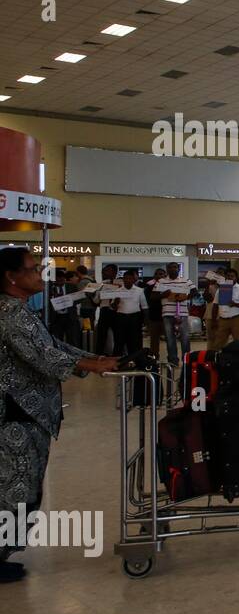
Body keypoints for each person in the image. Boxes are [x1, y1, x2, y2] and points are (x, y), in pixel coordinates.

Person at [0, 248, 119, 582]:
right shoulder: (9, 314)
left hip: (28, 414)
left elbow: (54, 346)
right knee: (15, 487)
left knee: (24, 486)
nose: (40, 273)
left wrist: (96, 359)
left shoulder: (19, 310)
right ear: (11, 276)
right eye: (32, 268)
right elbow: (43, 357)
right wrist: (93, 366)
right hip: (15, 415)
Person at [208, 267, 239, 350]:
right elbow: (215, 305)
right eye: (228, 276)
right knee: (218, 343)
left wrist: (235, 304)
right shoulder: (221, 289)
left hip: (237, 319)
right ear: (225, 277)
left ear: (236, 278)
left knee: (238, 343)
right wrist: (214, 320)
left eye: (232, 276)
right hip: (222, 320)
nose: (230, 278)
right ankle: (218, 360)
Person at [112, 269, 149, 356]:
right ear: (123, 279)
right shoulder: (118, 291)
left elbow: (144, 306)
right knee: (119, 341)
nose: (128, 280)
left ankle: (136, 360)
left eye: (130, 278)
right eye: (126, 278)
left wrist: (146, 321)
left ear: (134, 280)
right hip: (121, 318)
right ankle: (118, 362)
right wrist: (116, 301)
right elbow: (113, 307)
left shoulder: (139, 290)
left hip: (135, 318)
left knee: (135, 341)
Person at [159, 261, 190, 365]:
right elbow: (153, 296)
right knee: (169, 338)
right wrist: (164, 294)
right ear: (167, 269)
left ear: (179, 269)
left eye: (175, 267)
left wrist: (184, 297)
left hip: (183, 314)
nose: (173, 269)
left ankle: (186, 361)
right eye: (170, 267)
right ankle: (173, 360)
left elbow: (194, 292)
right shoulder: (161, 281)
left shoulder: (186, 281)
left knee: (185, 338)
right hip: (167, 314)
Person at [92, 262, 119, 355]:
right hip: (104, 311)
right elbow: (96, 301)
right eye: (103, 272)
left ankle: (117, 356)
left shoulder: (121, 284)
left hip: (117, 312)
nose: (104, 273)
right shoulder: (101, 285)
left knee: (118, 335)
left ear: (115, 272)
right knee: (101, 335)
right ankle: (99, 355)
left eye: (107, 271)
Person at [145, 268, 166, 356]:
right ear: (154, 276)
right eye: (157, 274)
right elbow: (147, 303)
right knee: (154, 340)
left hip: (166, 317)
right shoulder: (149, 288)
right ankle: (154, 358)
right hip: (153, 317)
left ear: (165, 276)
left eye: (161, 274)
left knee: (170, 339)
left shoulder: (169, 288)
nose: (159, 276)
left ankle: (171, 359)